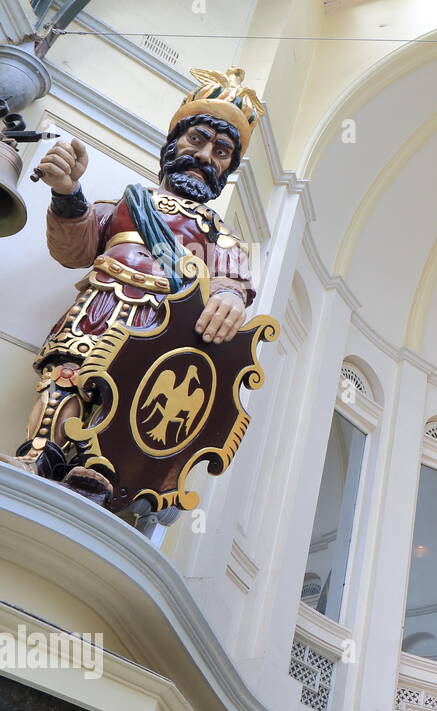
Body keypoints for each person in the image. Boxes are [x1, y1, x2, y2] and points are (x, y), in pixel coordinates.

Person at [6, 68, 264, 505]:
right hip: (102, 303)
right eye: (197, 140)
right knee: (68, 376)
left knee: (129, 391)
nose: (205, 156)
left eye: (221, 151)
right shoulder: (127, 202)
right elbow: (76, 247)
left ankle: (100, 469)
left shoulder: (218, 231)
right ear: (173, 144)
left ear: (228, 168)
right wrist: (68, 191)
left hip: (160, 323)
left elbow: (230, 275)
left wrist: (227, 296)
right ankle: (40, 454)